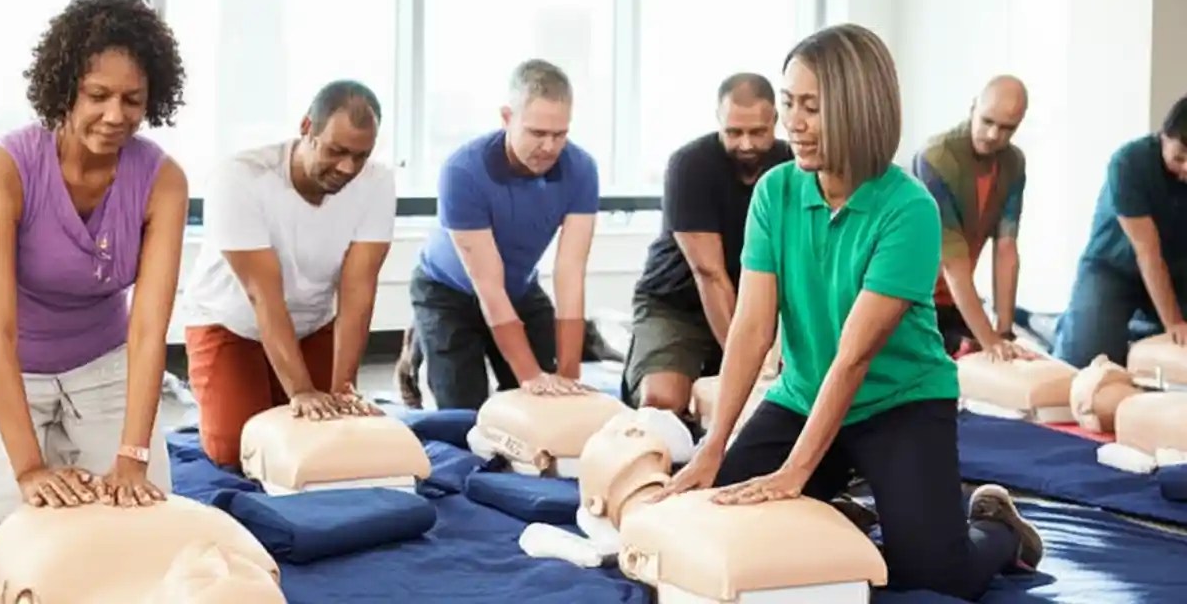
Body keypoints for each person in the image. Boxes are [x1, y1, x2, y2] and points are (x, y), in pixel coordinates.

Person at [656, 23, 1043, 600]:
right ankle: (838, 515)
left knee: (934, 580)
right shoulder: (775, 191)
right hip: (803, 395)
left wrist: (795, 473)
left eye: (811, 107)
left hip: (899, 404)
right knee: (729, 516)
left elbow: (854, 356)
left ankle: (996, 527)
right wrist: (713, 446)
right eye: (789, 103)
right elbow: (753, 329)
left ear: (858, 108)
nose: (793, 123)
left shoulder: (908, 208)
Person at [0, 0, 188, 541]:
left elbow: (147, 331)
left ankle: (62, 441)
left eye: (133, 100)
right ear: (66, 87)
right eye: (98, 94)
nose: (115, 115)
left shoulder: (163, 181)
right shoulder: (7, 166)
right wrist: (26, 470)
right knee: (18, 525)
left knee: (139, 512)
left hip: (99, 361)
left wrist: (133, 456)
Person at [181, 81, 394, 467]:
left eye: (360, 156)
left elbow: (358, 291)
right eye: (337, 151)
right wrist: (300, 390)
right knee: (238, 451)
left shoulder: (377, 183)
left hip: (313, 323)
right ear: (306, 127)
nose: (348, 168)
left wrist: (343, 388)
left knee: (325, 438)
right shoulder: (239, 178)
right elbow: (263, 294)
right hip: (230, 322)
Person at [409, 59, 598, 409]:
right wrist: (530, 378)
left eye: (560, 135)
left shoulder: (582, 169)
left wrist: (568, 376)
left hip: (520, 287)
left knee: (551, 402)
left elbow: (570, 273)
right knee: (464, 413)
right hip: (448, 290)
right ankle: (418, 343)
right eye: (537, 133)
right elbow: (488, 287)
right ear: (507, 118)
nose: (549, 147)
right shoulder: (463, 170)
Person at [622, 73, 793, 414]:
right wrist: (746, 372)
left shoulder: (792, 165)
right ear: (719, 121)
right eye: (734, 132)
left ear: (775, 120)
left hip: (758, 304)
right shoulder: (690, 165)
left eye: (757, 132)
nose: (746, 144)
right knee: (663, 402)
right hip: (677, 305)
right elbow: (709, 274)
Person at [1053, 95, 1187, 368]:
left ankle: (1138, 328)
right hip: (1113, 268)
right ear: (1163, 136)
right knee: (1088, 362)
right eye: (1180, 158)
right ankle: (1061, 324)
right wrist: (1174, 323)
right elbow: (1147, 252)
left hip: (1179, 272)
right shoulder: (1129, 163)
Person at [912, 76, 1035, 360]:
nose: (994, 135)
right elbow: (953, 262)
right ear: (973, 108)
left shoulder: (1013, 164)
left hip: (952, 298)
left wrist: (1004, 332)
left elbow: (1006, 248)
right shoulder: (935, 157)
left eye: (1007, 128)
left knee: (989, 351)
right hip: (910, 298)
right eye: (987, 121)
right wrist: (990, 341)